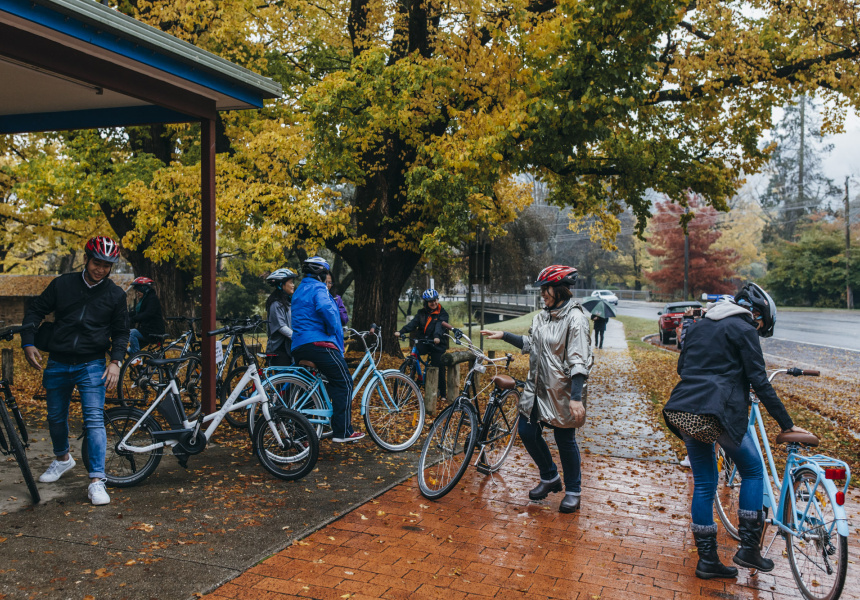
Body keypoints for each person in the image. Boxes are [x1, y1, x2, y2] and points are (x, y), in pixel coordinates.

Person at [662, 284, 812, 580]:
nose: (757, 328)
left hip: (683, 408)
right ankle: (748, 548)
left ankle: (707, 561)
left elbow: (684, 367)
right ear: (755, 314)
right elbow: (759, 380)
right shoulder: (744, 328)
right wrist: (786, 423)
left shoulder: (701, 325)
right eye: (760, 324)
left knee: (705, 484)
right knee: (754, 470)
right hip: (717, 412)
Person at [21, 236, 129, 506]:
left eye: (107, 265)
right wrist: (28, 342)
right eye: (97, 262)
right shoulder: (62, 284)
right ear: (86, 259)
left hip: (92, 364)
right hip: (57, 361)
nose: (101, 269)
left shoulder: (116, 295)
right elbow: (36, 311)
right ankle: (62, 459)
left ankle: (96, 481)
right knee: (56, 418)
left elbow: (121, 332)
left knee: (93, 419)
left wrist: (115, 361)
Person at [481, 265, 591, 513]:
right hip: (536, 391)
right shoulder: (541, 317)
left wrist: (576, 398)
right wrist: (504, 334)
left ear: (560, 289)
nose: (543, 294)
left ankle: (573, 491)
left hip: (562, 392)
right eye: (542, 289)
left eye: (546, 289)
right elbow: (532, 344)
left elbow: (579, 361)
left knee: (565, 440)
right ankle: (550, 476)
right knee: (527, 432)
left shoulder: (576, 319)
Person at [291, 257, 364, 442]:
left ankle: (301, 433)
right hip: (319, 344)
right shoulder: (318, 288)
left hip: (299, 346)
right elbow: (327, 309)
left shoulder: (299, 290)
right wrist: (333, 329)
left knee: (309, 387)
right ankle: (343, 432)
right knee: (344, 381)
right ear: (322, 274)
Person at [394, 289, 449, 402]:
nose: (432, 303)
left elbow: (439, 326)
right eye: (430, 301)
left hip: (437, 343)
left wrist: (437, 337)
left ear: (437, 299)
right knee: (414, 354)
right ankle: (416, 375)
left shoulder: (442, 313)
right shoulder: (421, 313)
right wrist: (402, 331)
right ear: (426, 302)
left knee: (438, 365)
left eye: (434, 300)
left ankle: (443, 392)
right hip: (423, 341)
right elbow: (413, 323)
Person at [265, 268, 297, 366]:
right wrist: (297, 337)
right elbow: (281, 327)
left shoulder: (287, 302)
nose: (293, 285)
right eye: (291, 282)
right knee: (283, 380)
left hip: (288, 348)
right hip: (279, 350)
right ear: (281, 284)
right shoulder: (276, 304)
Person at [127, 277, 165, 355]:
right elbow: (137, 312)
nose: (137, 293)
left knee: (132, 333)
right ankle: (138, 365)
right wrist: (124, 315)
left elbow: (148, 314)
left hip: (153, 331)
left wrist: (133, 319)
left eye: (138, 291)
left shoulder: (152, 299)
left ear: (144, 289)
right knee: (130, 351)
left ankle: (137, 359)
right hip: (145, 330)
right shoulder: (144, 299)